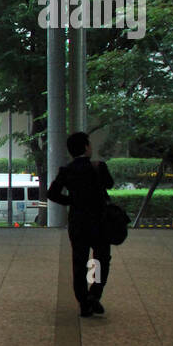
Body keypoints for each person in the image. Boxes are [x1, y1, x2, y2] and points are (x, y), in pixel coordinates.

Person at [47, 131, 115, 317]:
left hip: (78, 222)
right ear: (86, 147)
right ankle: (94, 294)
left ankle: (84, 302)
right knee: (99, 261)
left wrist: (72, 201)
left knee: (79, 262)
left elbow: (52, 194)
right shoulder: (98, 167)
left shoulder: (66, 170)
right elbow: (110, 184)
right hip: (99, 222)